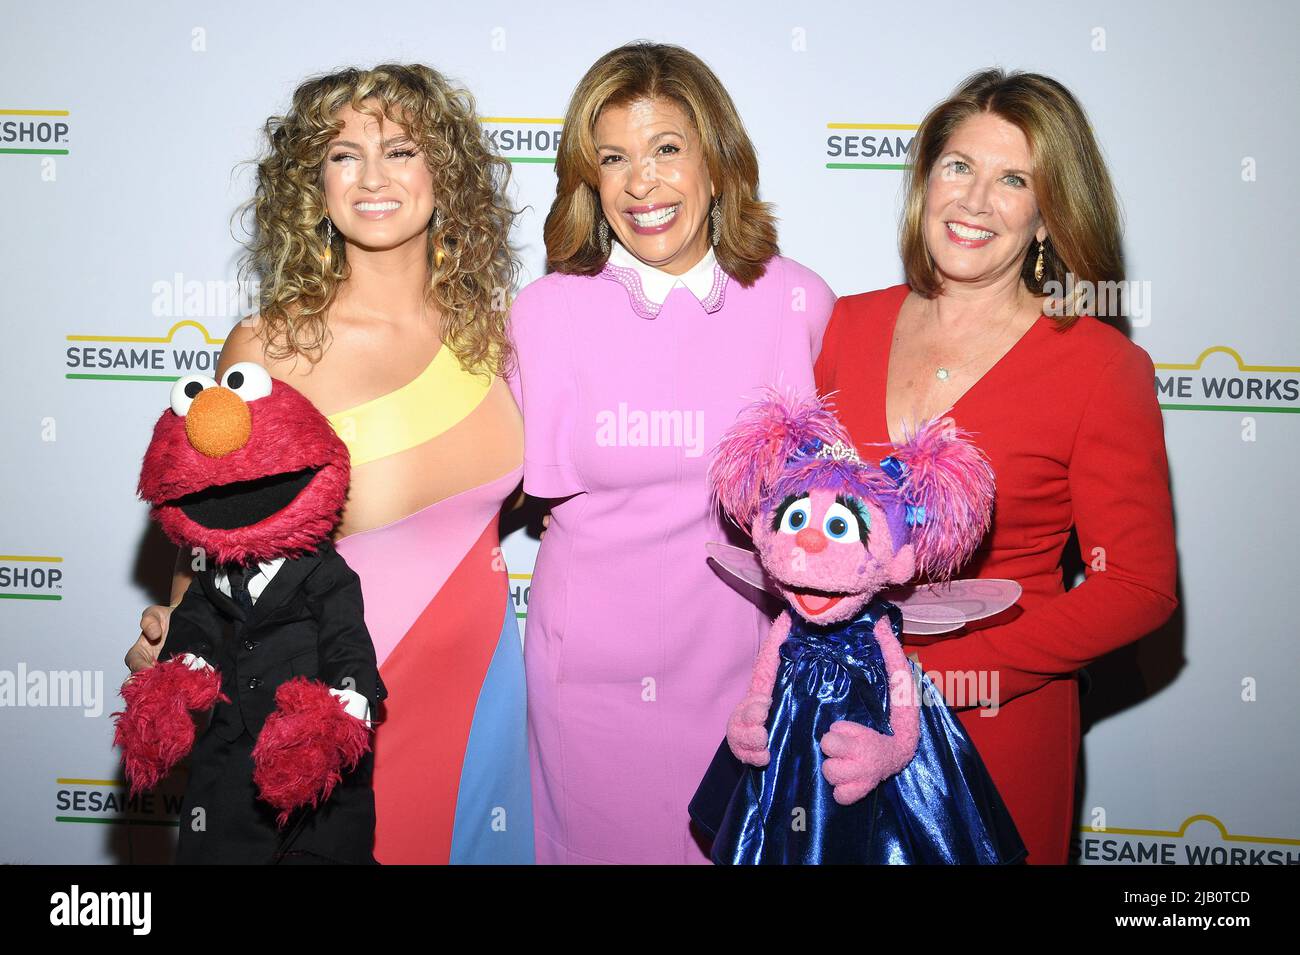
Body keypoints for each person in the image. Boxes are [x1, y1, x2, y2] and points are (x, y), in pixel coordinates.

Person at [124, 64, 533, 864]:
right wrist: (175, 631)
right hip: (318, 703)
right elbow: (209, 544)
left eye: (402, 150)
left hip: (482, 693)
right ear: (314, 185)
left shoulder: (501, 337)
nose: (374, 177)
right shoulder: (268, 348)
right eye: (345, 155)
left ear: (445, 174)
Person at [814, 68, 1178, 864]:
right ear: (925, 181)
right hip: (841, 713)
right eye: (958, 167)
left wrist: (956, 677)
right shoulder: (846, 323)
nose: (976, 201)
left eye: (1013, 180)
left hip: (996, 723)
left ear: (1048, 216)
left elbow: (1139, 585)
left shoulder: (1098, 366)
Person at [508, 41, 836, 864]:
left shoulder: (796, 300)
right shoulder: (546, 314)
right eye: (612, 158)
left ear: (717, 162)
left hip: (747, 680)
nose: (640, 183)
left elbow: (838, 511)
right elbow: (481, 488)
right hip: (589, 682)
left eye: (665, 150)